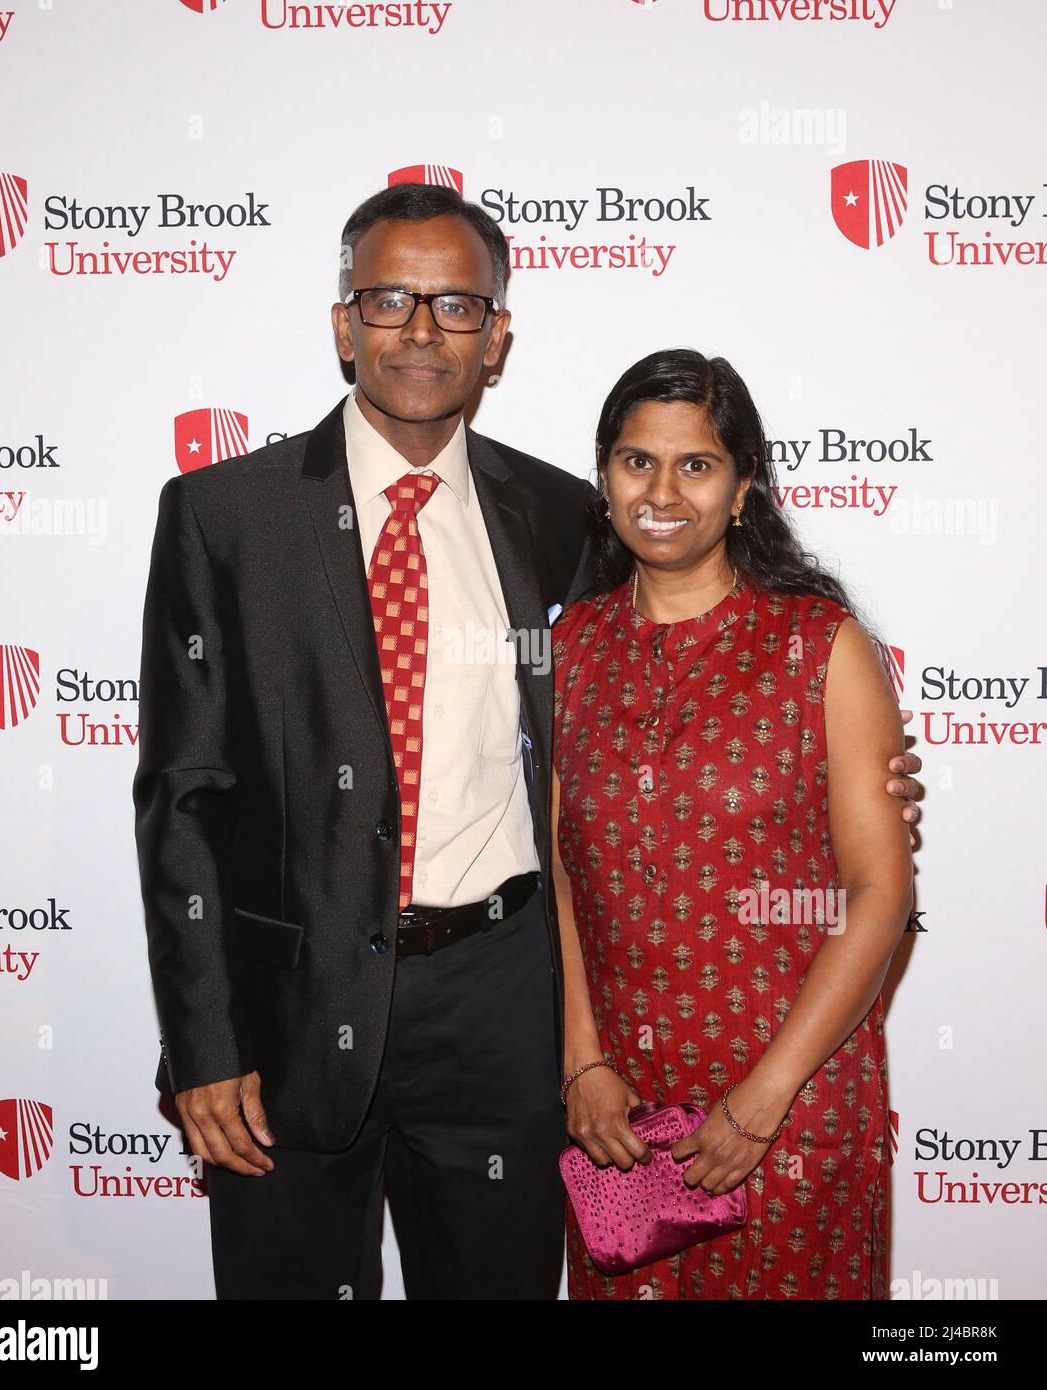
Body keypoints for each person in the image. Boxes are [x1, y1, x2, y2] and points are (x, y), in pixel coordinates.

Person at [133, 184, 923, 1300]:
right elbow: (182, 794)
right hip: (291, 1010)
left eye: (455, 304)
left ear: (496, 335)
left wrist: (860, 767)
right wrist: (203, 1040)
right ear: (341, 321)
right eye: (389, 298)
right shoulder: (227, 516)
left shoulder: (556, 519)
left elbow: (679, 690)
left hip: (501, 1007)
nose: (420, 329)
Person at [551, 348, 914, 1300]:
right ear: (603, 477)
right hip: (622, 1116)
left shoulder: (819, 646)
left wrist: (765, 1098)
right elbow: (560, 872)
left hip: (789, 1097)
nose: (663, 490)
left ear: (744, 487)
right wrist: (581, 1060)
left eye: (697, 465)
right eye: (637, 461)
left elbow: (880, 892)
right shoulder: (568, 650)